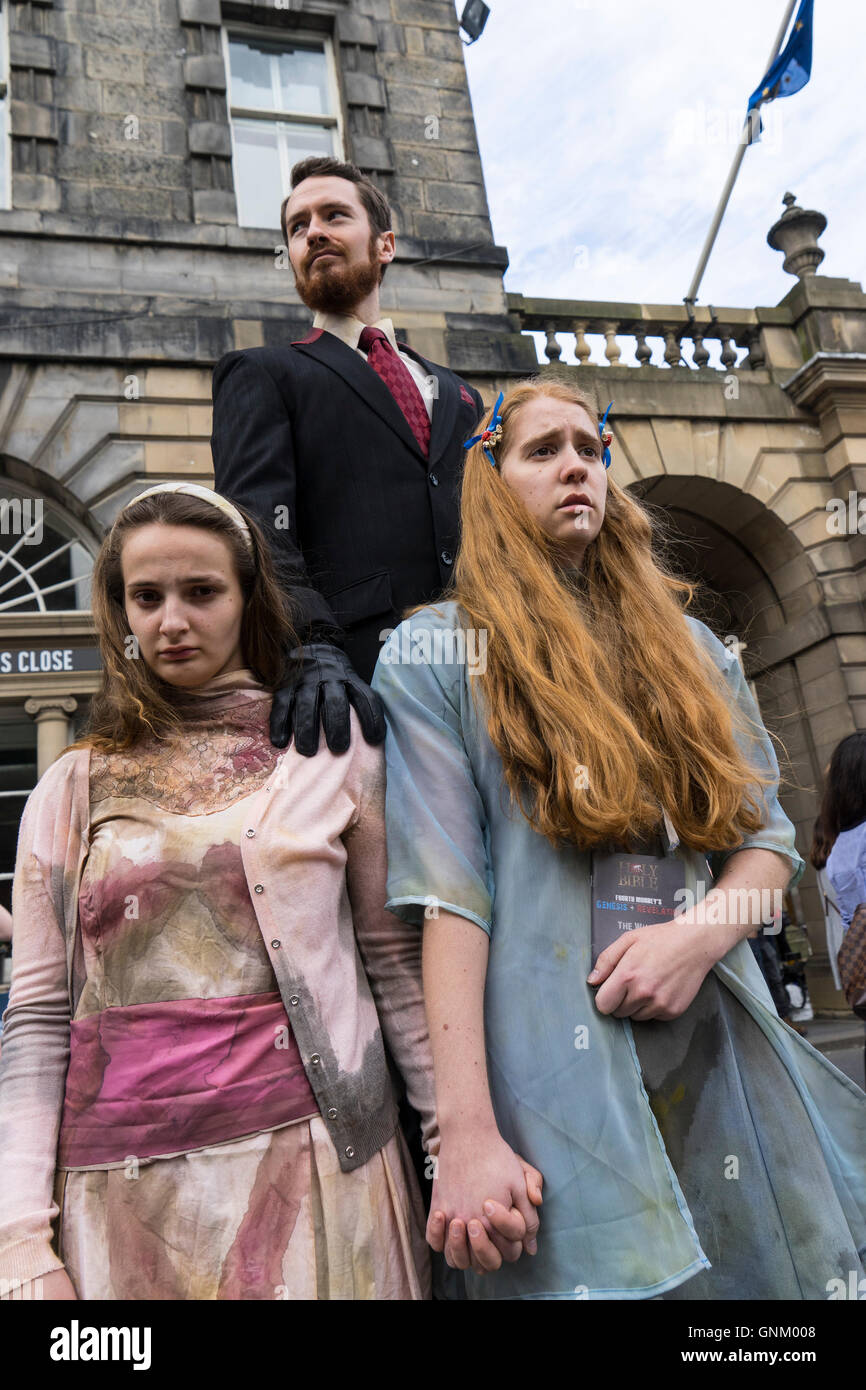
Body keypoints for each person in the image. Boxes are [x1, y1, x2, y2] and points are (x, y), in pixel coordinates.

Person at [371, 378, 866, 1300]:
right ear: (489, 481)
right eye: (542, 450)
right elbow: (451, 899)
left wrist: (699, 936)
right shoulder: (434, 654)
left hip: (714, 1034)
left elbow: (767, 845)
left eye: (591, 451)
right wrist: (466, 1132)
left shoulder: (691, 649)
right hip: (546, 1072)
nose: (576, 469)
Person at [0, 481, 459, 1301]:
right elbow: (36, 1021)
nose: (171, 621)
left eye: (201, 592)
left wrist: (451, 1146)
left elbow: (395, 969)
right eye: (147, 597)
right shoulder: (71, 787)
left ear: (248, 599)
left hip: (328, 1182)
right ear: (121, 613)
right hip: (120, 1206)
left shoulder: (332, 749)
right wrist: (20, 1241)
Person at [210, 155, 484, 759]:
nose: (314, 232)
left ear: (384, 244)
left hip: (489, 682)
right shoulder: (262, 374)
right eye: (298, 225)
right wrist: (308, 647)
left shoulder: (462, 395)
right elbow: (256, 532)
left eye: (335, 215)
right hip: (353, 696)